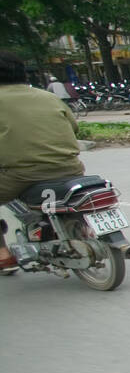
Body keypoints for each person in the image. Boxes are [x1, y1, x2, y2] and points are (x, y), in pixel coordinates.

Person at [0, 50, 88, 269]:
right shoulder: (49, 97)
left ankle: (3, 253)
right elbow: (74, 129)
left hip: (21, 174)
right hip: (71, 168)